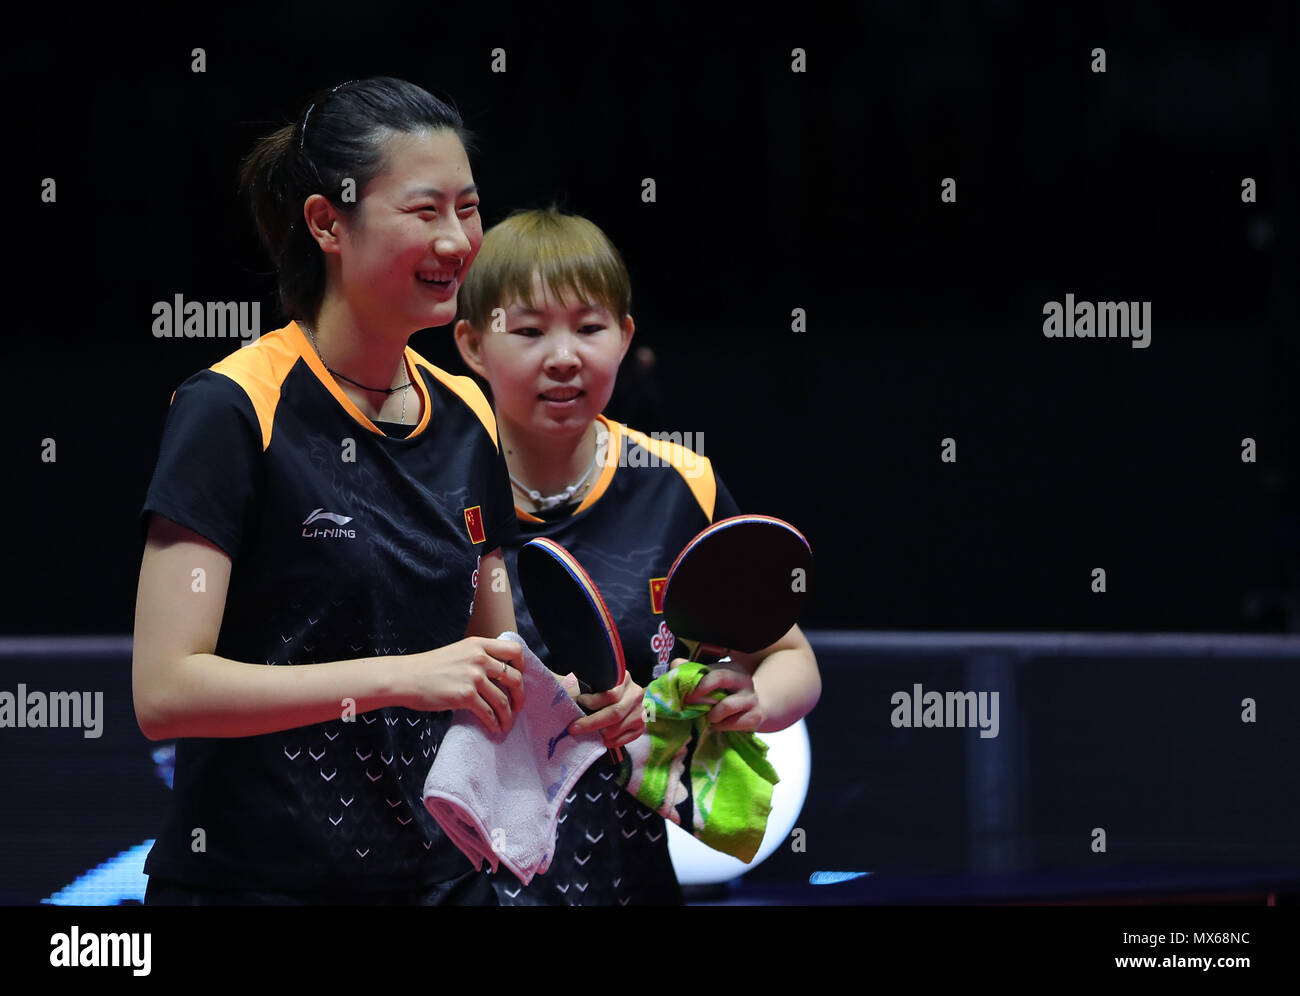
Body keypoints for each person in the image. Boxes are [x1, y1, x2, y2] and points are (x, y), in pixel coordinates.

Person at [132, 78, 637, 905]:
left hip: (433, 884)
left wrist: (583, 707)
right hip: (251, 885)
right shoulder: (233, 408)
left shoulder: (469, 414)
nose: (457, 239)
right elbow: (166, 691)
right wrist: (400, 677)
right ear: (328, 222)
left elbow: (491, 664)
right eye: (424, 210)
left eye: (468, 208)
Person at [453, 208, 822, 905]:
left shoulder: (682, 484)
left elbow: (791, 660)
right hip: (463, 876)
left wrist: (754, 700)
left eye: (590, 328)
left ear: (624, 338)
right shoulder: (436, 490)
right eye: (529, 331)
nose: (564, 355)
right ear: (474, 344)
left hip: (629, 879)